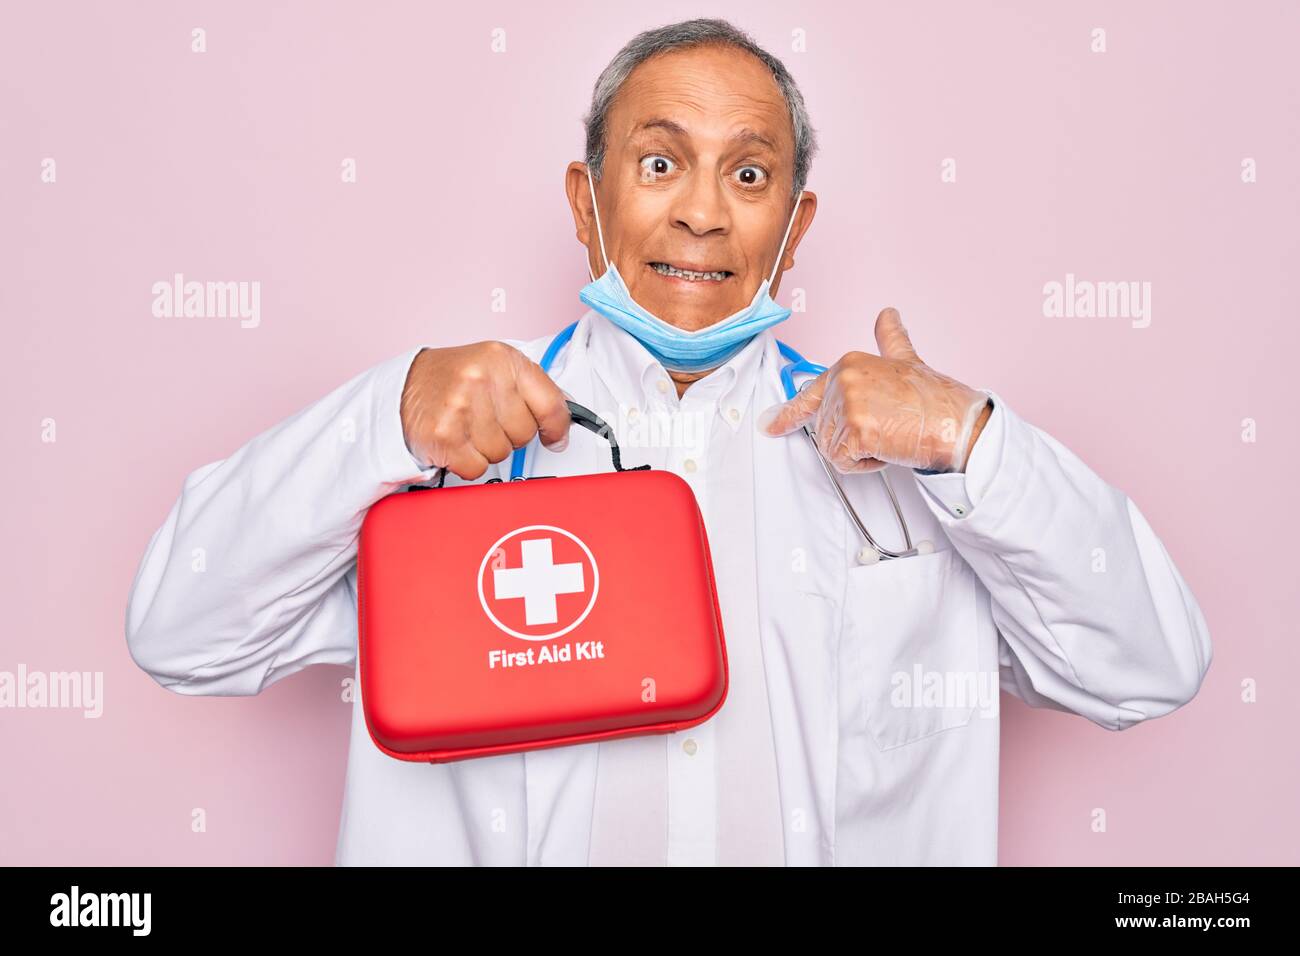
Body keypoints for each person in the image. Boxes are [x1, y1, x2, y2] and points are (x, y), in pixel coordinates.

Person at [125, 18, 1211, 866]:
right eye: (656, 163)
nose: (702, 215)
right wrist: (382, 415)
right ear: (585, 201)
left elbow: (1149, 666)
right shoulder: (442, 450)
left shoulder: (913, 475)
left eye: (748, 175)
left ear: (795, 225)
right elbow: (184, 630)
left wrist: (971, 439)